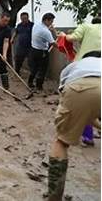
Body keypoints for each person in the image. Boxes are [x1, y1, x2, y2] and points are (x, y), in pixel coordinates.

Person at [46, 51, 101, 201]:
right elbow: (90, 113)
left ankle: (54, 197)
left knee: (61, 141)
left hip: (80, 87)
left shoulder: (75, 66)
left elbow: (68, 98)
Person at [59, 16, 101, 146]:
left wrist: (63, 35)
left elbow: (71, 38)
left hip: (83, 73)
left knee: (85, 105)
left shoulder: (86, 26)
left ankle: (88, 136)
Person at [29, 13, 57, 91]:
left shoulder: (36, 25)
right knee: (42, 69)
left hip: (33, 49)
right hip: (42, 52)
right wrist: (62, 48)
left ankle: (30, 83)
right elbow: (53, 43)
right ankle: (39, 86)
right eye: (51, 21)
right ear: (46, 20)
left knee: (34, 68)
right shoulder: (45, 31)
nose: (52, 23)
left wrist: (50, 29)